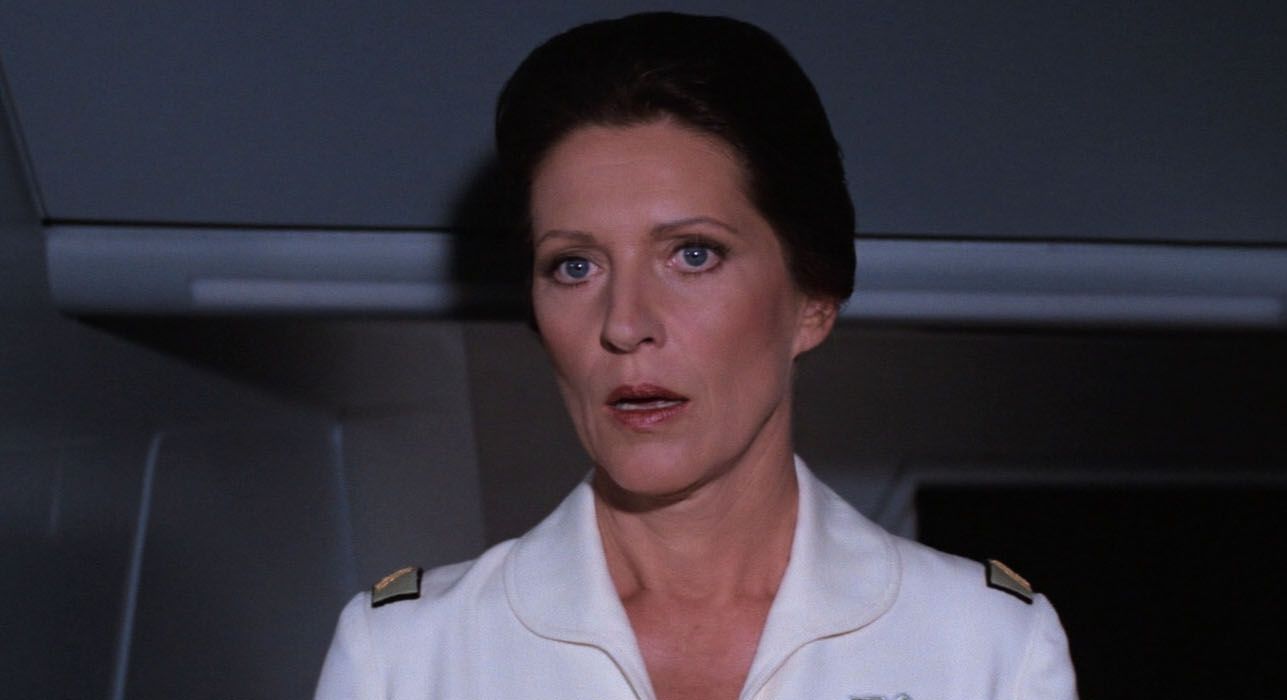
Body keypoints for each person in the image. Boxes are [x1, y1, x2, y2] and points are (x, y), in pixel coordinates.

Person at [314, 12, 1076, 700]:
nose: (625, 324)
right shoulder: (407, 656)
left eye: (693, 254)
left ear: (812, 300)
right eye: (575, 266)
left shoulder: (982, 646)